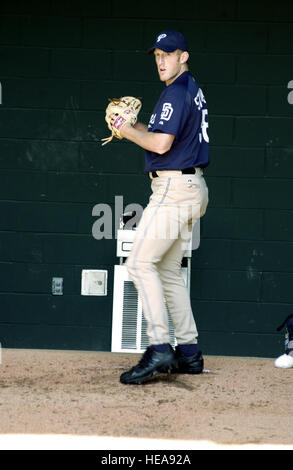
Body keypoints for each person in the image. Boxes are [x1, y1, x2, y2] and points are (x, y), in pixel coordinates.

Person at [117, 30, 210, 384]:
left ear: (183, 56)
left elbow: (159, 143)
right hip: (191, 186)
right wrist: (132, 125)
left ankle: (159, 348)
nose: (161, 60)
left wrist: (126, 132)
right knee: (168, 271)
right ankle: (189, 353)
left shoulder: (175, 91)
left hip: (173, 188)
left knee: (139, 263)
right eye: (157, 54)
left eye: (168, 54)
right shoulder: (190, 89)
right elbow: (160, 135)